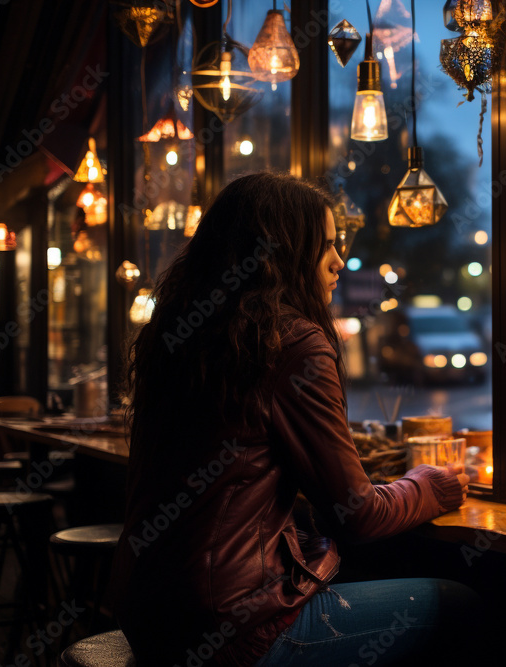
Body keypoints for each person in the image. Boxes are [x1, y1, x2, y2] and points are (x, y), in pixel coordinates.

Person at [109, 173, 478, 666]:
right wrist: (430, 484)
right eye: (323, 245)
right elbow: (358, 515)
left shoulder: (179, 336)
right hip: (231, 629)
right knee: (461, 604)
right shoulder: (292, 343)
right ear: (279, 253)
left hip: (151, 616)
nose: (338, 263)